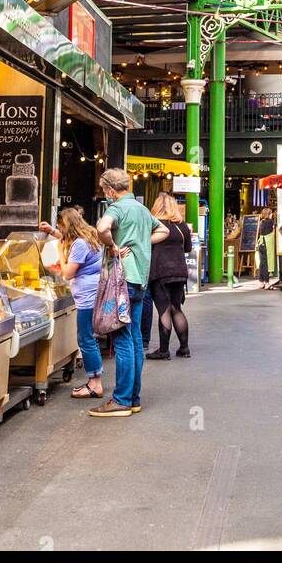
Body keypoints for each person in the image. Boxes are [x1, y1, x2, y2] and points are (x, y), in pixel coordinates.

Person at [90, 168, 169, 418]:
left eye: (105, 191)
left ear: (112, 190)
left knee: (122, 338)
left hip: (121, 280)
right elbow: (164, 231)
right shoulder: (142, 209)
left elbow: (102, 227)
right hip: (139, 281)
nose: (106, 195)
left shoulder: (117, 208)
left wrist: (112, 245)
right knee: (134, 338)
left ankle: (122, 400)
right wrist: (141, 242)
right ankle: (133, 398)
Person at [53, 207, 104, 400]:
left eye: (61, 226)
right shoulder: (90, 236)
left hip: (86, 297)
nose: (61, 230)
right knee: (88, 338)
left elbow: (68, 273)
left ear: (68, 225)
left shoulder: (79, 244)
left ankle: (95, 383)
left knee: (86, 339)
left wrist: (59, 250)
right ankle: (94, 379)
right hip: (92, 293)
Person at [145, 192, 191, 360]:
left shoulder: (154, 225)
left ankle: (164, 350)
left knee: (164, 310)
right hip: (179, 271)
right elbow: (188, 249)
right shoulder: (182, 226)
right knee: (176, 308)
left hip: (160, 272)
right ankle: (184, 348)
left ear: (157, 206)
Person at [256, 206, 277, 289]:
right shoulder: (270, 222)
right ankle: (267, 282)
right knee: (266, 264)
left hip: (261, 244)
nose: (272, 214)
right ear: (268, 214)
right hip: (267, 245)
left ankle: (261, 282)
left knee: (262, 263)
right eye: (271, 213)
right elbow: (272, 230)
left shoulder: (261, 222)